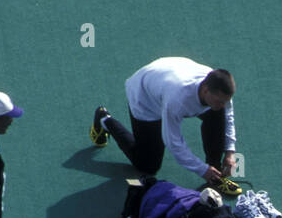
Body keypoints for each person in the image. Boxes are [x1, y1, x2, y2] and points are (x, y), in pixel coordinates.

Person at [91, 58, 240, 196]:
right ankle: (105, 120)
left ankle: (216, 174)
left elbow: (228, 117)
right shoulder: (178, 99)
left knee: (218, 115)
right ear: (206, 90)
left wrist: (230, 152)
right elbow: (173, 142)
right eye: (220, 101)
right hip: (145, 97)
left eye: (225, 101)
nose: (223, 104)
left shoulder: (220, 93)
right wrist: (202, 169)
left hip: (167, 75)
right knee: (148, 165)